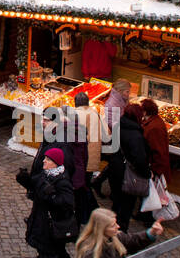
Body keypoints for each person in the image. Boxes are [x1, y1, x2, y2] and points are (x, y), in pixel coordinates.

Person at [16, 147, 76, 258]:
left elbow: (67, 203)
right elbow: (34, 184)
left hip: (50, 226)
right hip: (43, 223)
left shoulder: (62, 181)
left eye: (48, 159)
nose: (44, 161)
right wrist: (24, 179)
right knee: (58, 251)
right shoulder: (45, 175)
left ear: (55, 163)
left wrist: (51, 196)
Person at [106, 101, 151, 231]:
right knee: (125, 210)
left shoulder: (117, 128)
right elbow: (140, 159)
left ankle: (110, 232)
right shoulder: (136, 136)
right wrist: (147, 173)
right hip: (127, 175)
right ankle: (119, 237)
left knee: (116, 205)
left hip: (114, 171)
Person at [72, 93, 103, 225]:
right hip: (94, 155)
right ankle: (92, 210)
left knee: (82, 186)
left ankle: (87, 213)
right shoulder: (95, 113)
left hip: (83, 157)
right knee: (85, 184)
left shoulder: (76, 115)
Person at [140, 97, 172, 222]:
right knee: (148, 193)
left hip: (155, 166)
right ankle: (143, 215)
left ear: (145, 112)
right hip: (153, 165)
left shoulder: (154, 127)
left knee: (151, 194)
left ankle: (149, 220)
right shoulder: (153, 123)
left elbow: (157, 150)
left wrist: (155, 170)